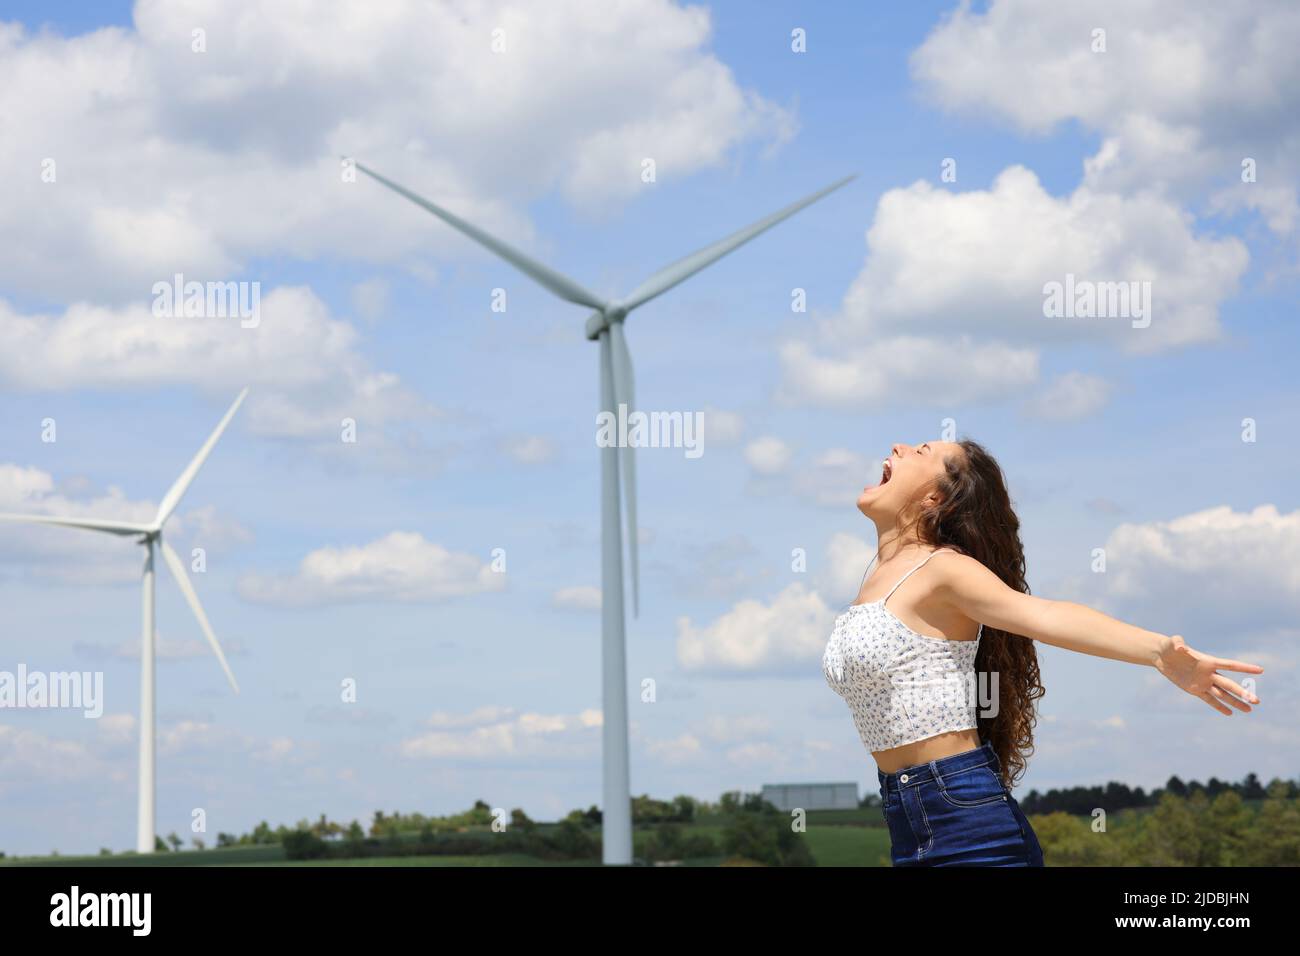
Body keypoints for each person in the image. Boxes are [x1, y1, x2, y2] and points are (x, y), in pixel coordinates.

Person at [822, 438, 1264, 866]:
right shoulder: (874, 580)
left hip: (965, 819)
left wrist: (1158, 653)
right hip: (905, 816)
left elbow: (1045, 615)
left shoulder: (942, 568)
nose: (898, 446)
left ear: (935, 497)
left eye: (922, 452)